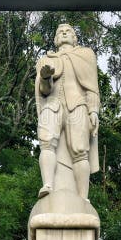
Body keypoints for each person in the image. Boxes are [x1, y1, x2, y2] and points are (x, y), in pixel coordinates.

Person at [35, 23, 100, 200]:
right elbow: (44, 90)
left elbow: (92, 87)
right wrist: (46, 77)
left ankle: (82, 197)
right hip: (52, 104)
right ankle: (47, 184)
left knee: (80, 150)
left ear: (74, 38)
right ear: (56, 40)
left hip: (78, 105)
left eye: (68, 31)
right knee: (46, 142)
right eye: (60, 32)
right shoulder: (46, 60)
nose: (64, 33)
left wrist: (94, 111)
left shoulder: (86, 55)